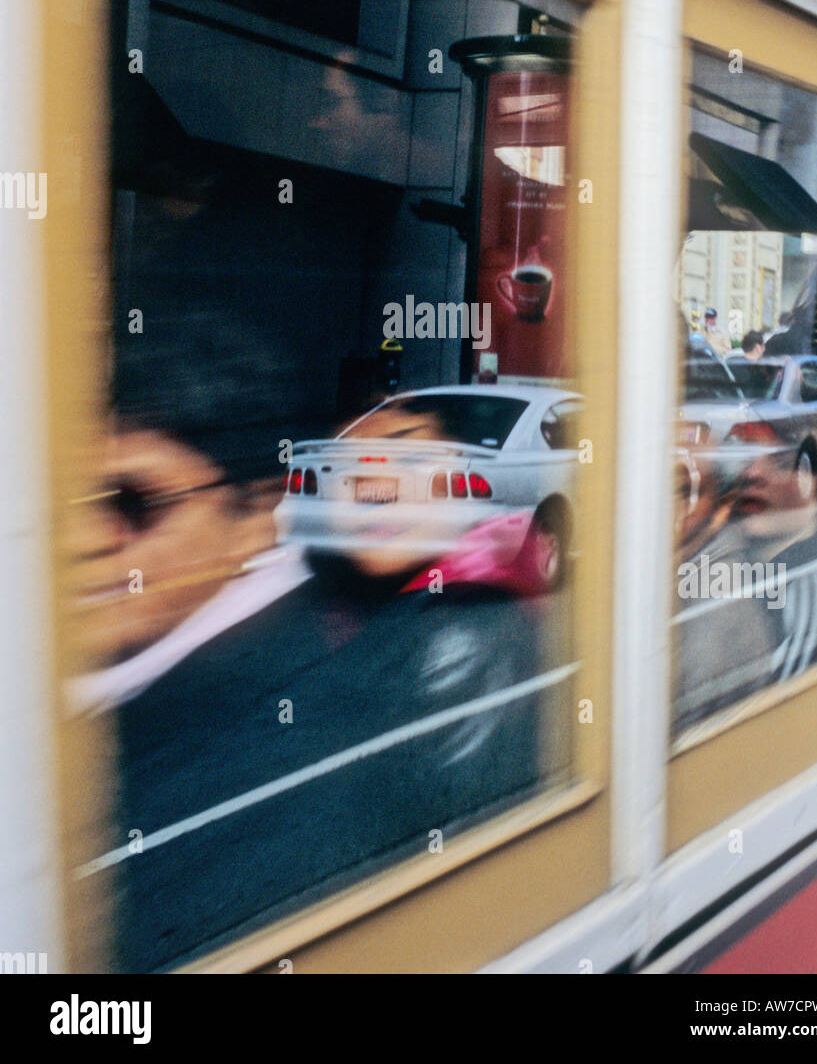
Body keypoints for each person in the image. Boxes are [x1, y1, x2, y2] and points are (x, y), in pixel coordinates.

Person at [69, 301, 544, 972]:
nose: (83, 538)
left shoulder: (443, 654)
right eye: (351, 469)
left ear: (255, 514)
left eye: (133, 503)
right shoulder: (331, 615)